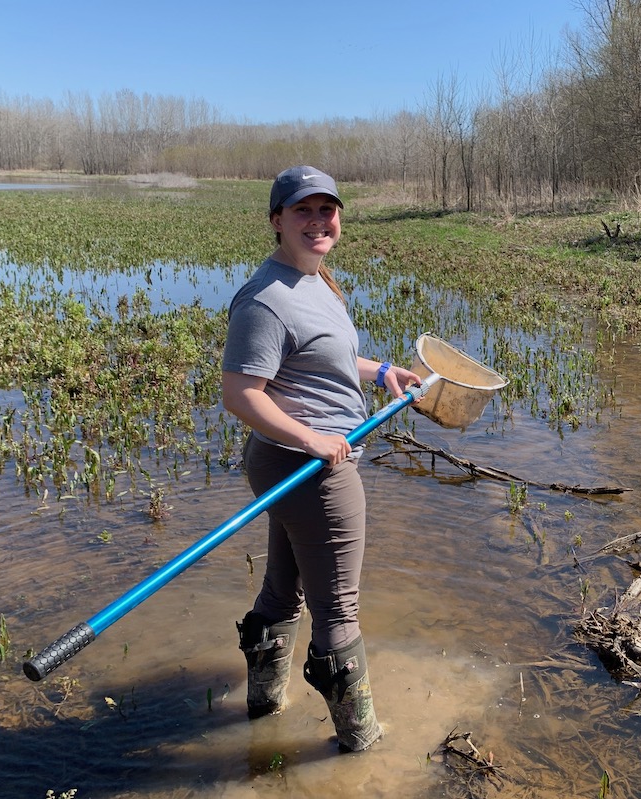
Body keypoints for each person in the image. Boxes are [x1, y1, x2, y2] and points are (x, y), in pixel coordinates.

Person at [221, 165, 420, 752]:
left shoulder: (316, 282)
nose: (317, 221)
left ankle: (262, 711)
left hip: (293, 464)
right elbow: (240, 393)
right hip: (310, 470)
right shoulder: (264, 300)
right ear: (277, 220)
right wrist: (313, 440)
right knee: (339, 613)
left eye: (326, 209)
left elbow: (324, 361)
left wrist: (381, 370)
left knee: (284, 591)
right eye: (302, 211)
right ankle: (362, 748)